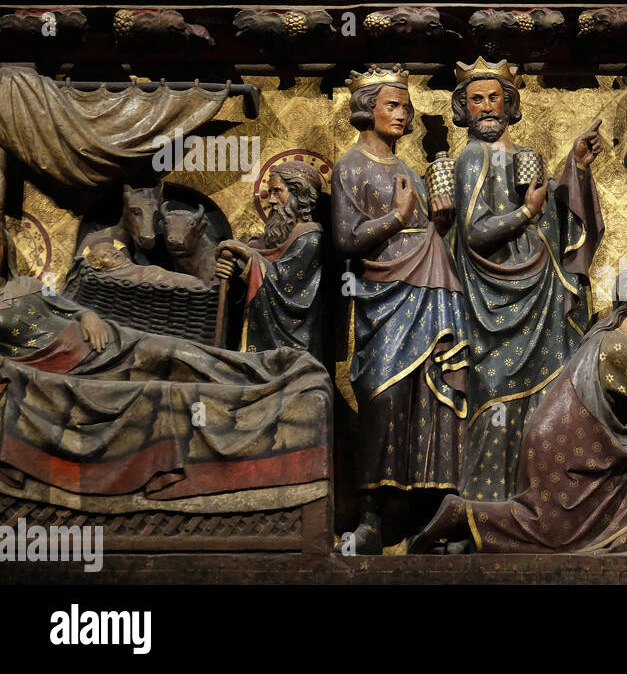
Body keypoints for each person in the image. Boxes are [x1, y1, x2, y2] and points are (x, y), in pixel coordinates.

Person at [408, 267, 627, 553]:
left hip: (601, 451)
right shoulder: (613, 346)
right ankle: (460, 512)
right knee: (551, 529)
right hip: (567, 454)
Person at [0, 227, 331, 500]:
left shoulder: (25, 285)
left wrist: (88, 316)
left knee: (179, 353)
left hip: (103, 342)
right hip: (68, 370)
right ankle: (262, 396)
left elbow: (68, 306)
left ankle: (265, 373)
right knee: (170, 384)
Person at [444, 57, 605, 503]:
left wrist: (576, 166)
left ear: (510, 103)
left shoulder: (524, 157)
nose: (487, 107)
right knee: (496, 391)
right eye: (476, 100)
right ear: (464, 109)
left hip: (543, 288)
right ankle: (486, 508)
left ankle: (544, 499)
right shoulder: (474, 157)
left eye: (495, 97)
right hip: (493, 296)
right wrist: (527, 211)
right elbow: (476, 230)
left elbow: (556, 219)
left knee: (552, 394)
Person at [331, 64, 469, 554]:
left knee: (432, 397)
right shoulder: (351, 166)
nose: (403, 114)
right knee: (384, 394)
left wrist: (441, 220)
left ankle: (428, 517)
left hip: (433, 288)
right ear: (367, 108)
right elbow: (346, 239)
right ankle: (370, 516)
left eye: (406, 107)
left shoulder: (410, 170)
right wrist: (398, 216)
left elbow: (427, 229)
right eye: (393, 105)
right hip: (384, 295)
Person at [216, 160, 324, 357]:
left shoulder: (310, 236)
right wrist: (235, 264)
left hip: (295, 345)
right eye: (270, 193)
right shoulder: (275, 238)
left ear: (299, 195)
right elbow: (265, 256)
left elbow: (286, 284)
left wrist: (249, 257)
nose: (271, 200)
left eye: (277, 191)